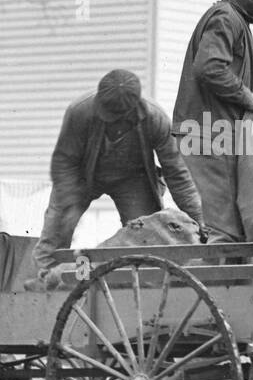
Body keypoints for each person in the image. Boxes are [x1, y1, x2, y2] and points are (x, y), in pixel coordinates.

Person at [31, 69, 203, 280]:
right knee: (56, 229)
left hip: (132, 179)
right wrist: (68, 204)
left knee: (148, 235)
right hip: (82, 176)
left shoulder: (156, 119)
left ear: (131, 111)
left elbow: (178, 174)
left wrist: (200, 221)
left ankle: (134, 284)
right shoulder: (80, 111)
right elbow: (64, 161)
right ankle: (46, 281)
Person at [172, 0, 253, 241]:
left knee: (226, 228)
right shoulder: (226, 18)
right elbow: (209, 67)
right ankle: (215, 284)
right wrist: (250, 99)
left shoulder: (235, 21)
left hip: (214, 135)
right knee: (220, 230)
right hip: (205, 135)